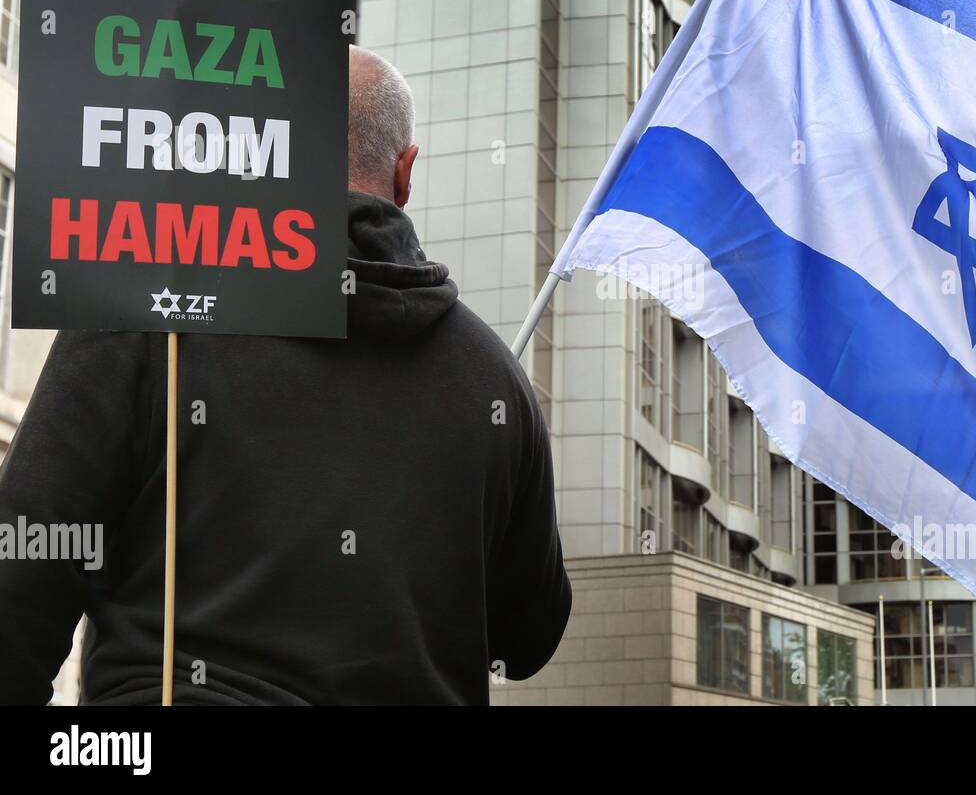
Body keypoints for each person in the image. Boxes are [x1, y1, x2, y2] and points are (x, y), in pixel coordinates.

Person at [0, 46, 571, 704]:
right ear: (407, 172)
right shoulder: (498, 385)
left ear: (266, 148)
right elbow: (528, 637)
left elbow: (22, 579)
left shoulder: (153, 313)